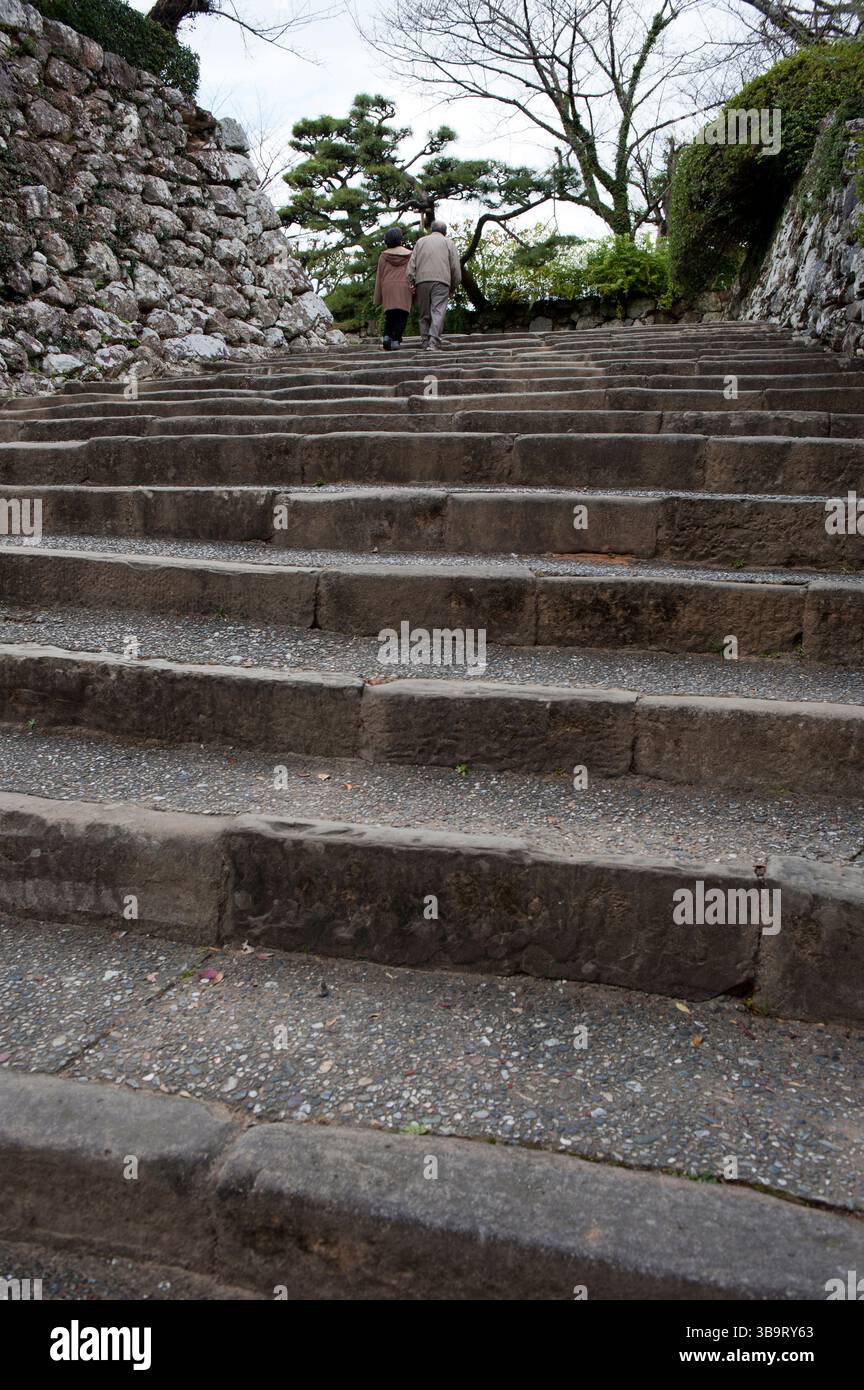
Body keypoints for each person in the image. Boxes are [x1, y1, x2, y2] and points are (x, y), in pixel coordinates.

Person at [405, 220, 461, 350]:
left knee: (424, 313)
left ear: (431, 230)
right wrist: (453, 286)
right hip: (442, 281)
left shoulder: (421, 242)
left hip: (422, 280)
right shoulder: (448, 243)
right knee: (438, 312)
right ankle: (433, 342)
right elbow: (455, 268)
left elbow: (411, 264)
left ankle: (425, 341)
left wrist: (411, 282)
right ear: (445, 232)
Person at [372, 226, 413, 350]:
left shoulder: (384, 256)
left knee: (390, 314)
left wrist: (378, 297)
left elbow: (380, 276)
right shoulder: (410, 254)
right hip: (404, 286)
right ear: (400, 238)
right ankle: (396, 340)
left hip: (388, 286)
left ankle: (386, 336)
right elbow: (412, 272)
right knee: (402, 314)